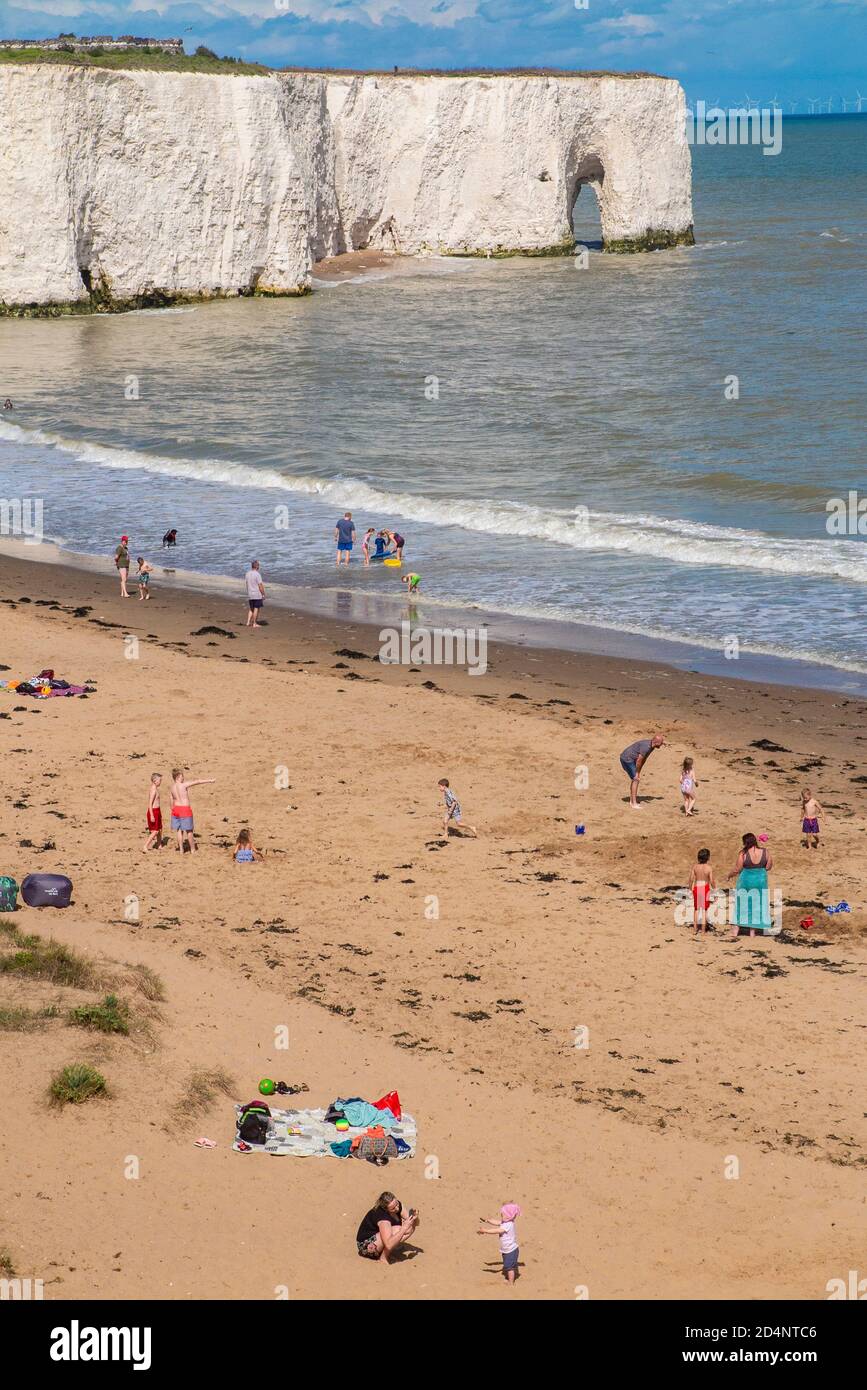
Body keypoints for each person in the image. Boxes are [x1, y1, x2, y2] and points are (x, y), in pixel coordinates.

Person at [727, 832, 774, 939]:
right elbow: (768, 866)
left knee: (741, 904)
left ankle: (736, 930)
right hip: (760, 881)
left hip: (746, 880)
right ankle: (752, 932)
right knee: (757, 905)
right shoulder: (765, 852)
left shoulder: (743, 853)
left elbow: (737, 869)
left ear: (745, 842)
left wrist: (729, 876)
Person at [356, 1192, 419, 1263]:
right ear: (385, 1209)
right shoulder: (382, 1217)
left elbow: (415, 1224)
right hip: (366, 1245)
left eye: (397, 1204)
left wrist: (415, 1218)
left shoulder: (397, 1206)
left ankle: (385, 1254)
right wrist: (403, 1228)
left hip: (378, 1239)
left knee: (410, 1228)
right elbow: (388, 1245)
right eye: (393, 1208)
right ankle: (383, 1258)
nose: (397, 1208)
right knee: (399, 1230)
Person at [170, 768, 216, 854]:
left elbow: (171, 800)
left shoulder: (172, 787)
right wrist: (209, 780)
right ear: (178, 777)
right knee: (189, 831)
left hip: (176, 809)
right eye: (182, 776)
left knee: (179, 830)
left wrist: (173, 810)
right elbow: (197, 782)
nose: (183, 778)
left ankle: (181, 849)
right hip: (185, 809)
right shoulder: (183, 785)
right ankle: (192, 849)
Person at [478, 1203, 521, 1285]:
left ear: (509, 1216)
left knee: (510, 1268)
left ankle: (511, 1282)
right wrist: (488, 1220)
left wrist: (486, 1231)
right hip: (507, 1250)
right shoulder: (506, 1222)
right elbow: (497, 1222)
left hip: (510, 1250)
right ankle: (509, 1278)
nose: (501, 1216)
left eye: (503, 1215)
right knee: (507, 1265)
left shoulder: (508, 1225)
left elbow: (497, 1230)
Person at [619, 734, 664, 809]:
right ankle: (633, 803)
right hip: (627, 759)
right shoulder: (646, 747)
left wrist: (638, 772)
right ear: (656, 742)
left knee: (635, 779)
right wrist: (637, 773)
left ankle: (632, 800)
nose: (662, 744)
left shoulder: (652, 746)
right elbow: (639, 761)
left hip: (630, 759)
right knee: (635, 779)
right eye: (661, 743)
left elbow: (644, 759)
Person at [689, 847, 715, 934]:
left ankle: (695, 929)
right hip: (705, 888)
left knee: (696, 909)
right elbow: (711, 881)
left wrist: (690, 888)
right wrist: (714, 888)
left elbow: (691, 879)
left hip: (697, 888)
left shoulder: (695, 867)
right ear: (708, 857)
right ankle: (703, 930)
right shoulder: (709, 868)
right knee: (704, 910)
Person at [143, 773, 163, 852]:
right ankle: (145, 846)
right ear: (154, 781)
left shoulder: (155, 789)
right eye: (159, 780)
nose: (160, 782)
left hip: (157, 810)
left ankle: (159, 844)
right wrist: (151, 815)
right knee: (155, 831)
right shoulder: (153, 790)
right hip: (153, 811)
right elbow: (150, 803)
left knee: (159, 828)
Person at [244, 560, 265, 628]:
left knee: (251, 609)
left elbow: (247, 584)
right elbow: (260, 585)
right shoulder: (257, 574)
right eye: (258, 565)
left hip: (250, 593)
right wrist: (263, 594)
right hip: (257, 594)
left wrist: (248, 591)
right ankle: (254, 623)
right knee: (256, 609)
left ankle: (248, 622)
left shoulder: (247, 573)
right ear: (257, 566)